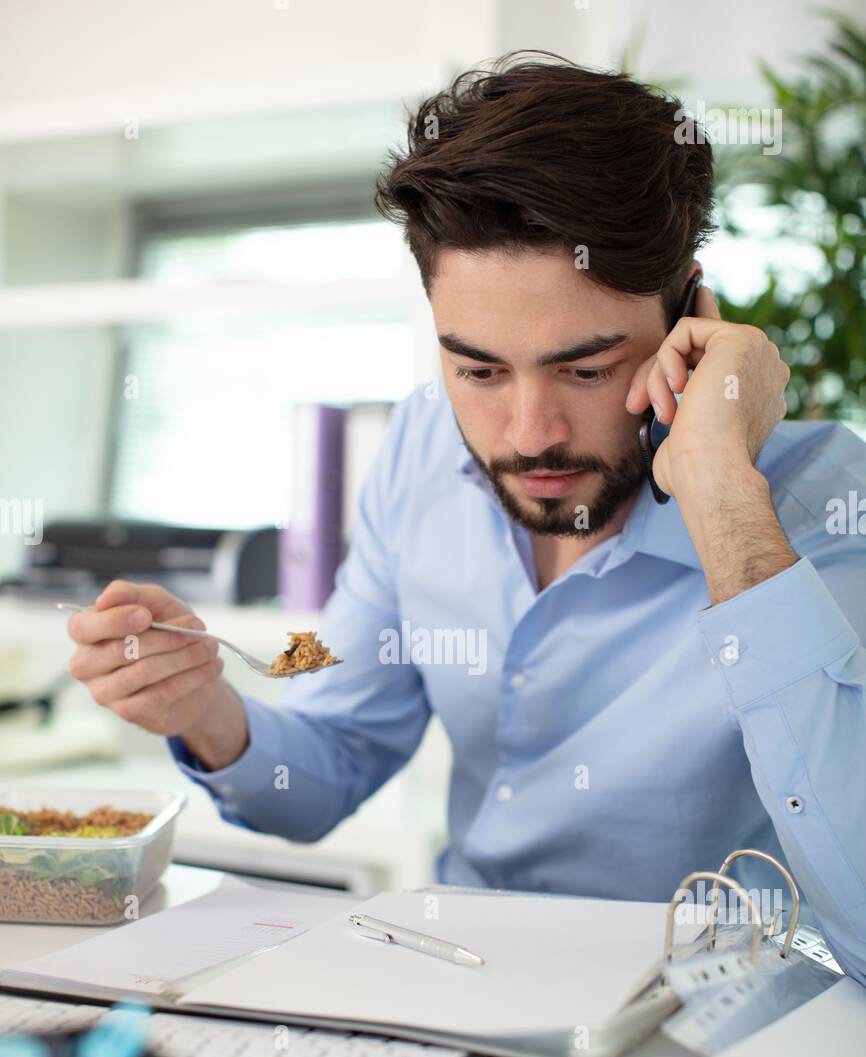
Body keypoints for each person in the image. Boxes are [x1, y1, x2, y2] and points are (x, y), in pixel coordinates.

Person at [67, 54, 866, 983]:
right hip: (455, 989)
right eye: (479, 371)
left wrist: (724, 489)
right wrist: (203, 707)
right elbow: (327, 767)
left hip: (716, 1029)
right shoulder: (417, 453)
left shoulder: (818, 507)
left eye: (587, 368)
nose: (529, 435)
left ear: (693, 312)